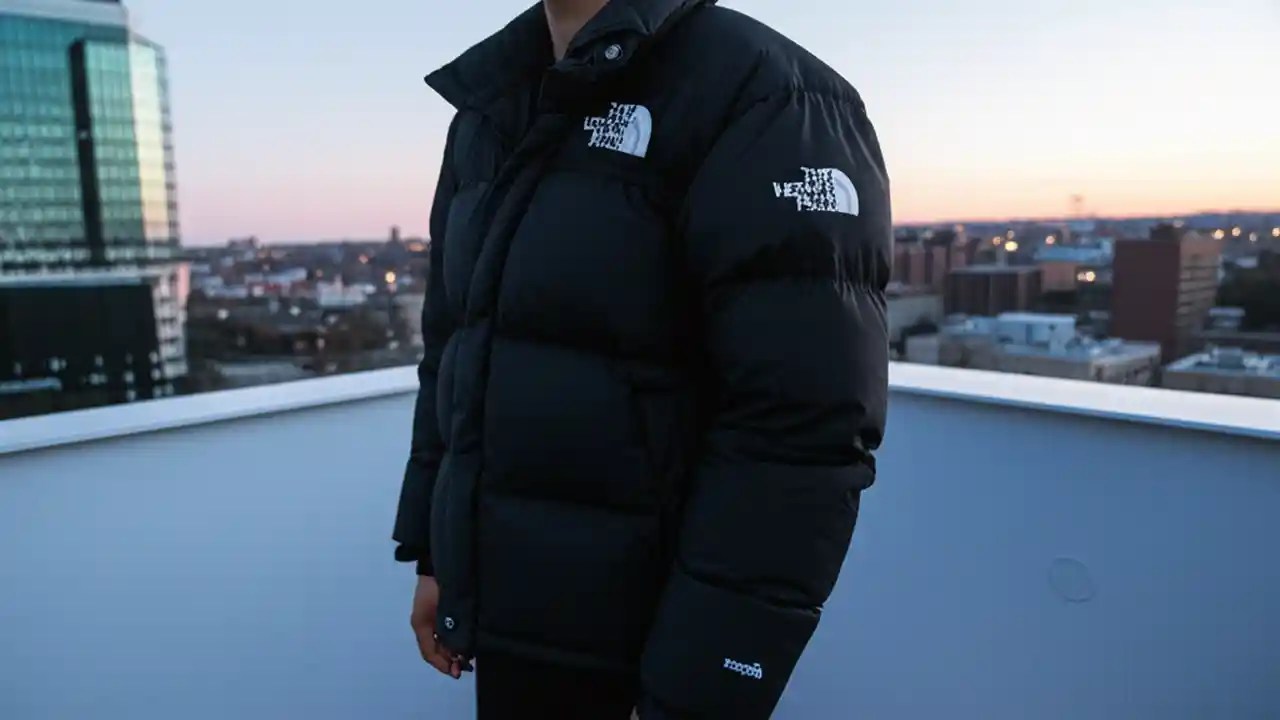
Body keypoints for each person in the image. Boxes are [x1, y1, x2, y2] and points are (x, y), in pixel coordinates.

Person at [393, 0, 890, 717]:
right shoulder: (490, 106)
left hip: (648, 641)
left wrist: (703, 682)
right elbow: (456, 345)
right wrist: (437, 552)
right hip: (513, 618)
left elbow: (797, 433)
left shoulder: (768, 96)